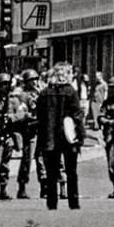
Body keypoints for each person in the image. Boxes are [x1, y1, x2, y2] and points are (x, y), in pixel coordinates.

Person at [36, 61, 83, 210]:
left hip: (49, 136)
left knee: (51, 172)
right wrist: (80, 136)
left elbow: (40, 117)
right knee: (71, 171)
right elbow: (77, 115)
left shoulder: (44, 93)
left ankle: (52, 202)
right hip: (68, 136)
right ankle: (73, 202)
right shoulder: (71, 91)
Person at [11, 67, 41, 199]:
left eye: (35, 79)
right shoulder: (21, 96)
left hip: (41, 129)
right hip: (29, 130)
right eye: (31, 80)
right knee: (27, 160)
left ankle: (45, 187)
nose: (34, 82)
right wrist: (30, 116)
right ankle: (22, 187)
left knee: (42, 160)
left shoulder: (39, 93)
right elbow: (21, 113)